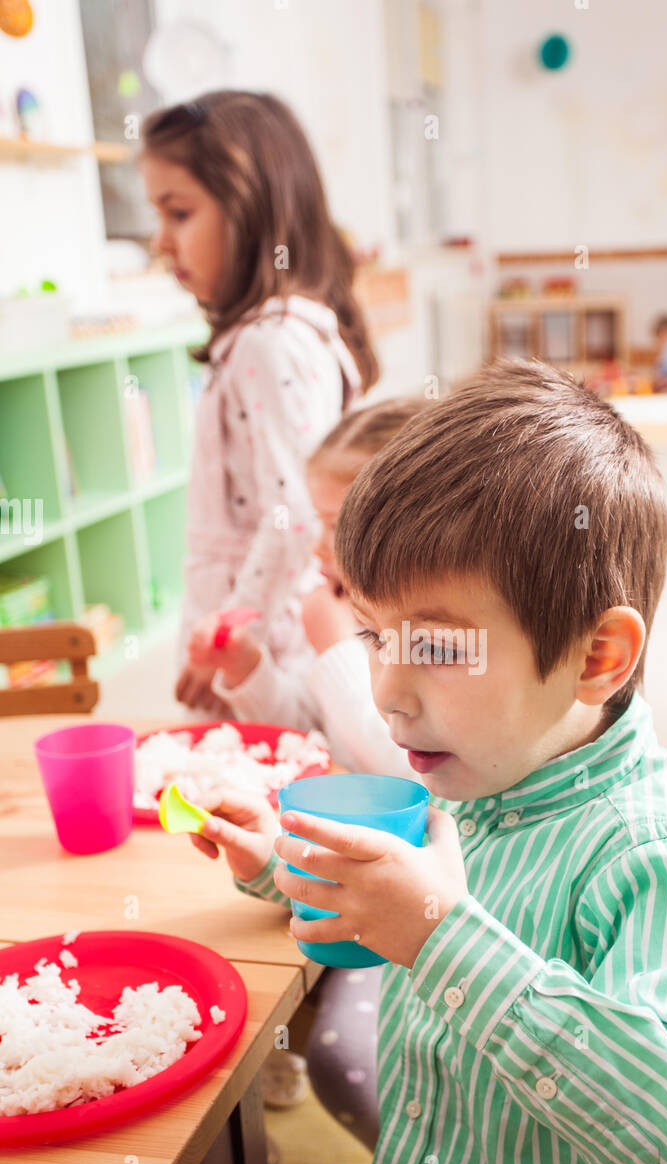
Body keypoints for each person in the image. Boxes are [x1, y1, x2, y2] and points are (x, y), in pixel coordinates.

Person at [198, 359, 667, 1164]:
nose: (387, 689)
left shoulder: (658, 861)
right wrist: (277, 865)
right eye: (376, 635)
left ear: (597, 656)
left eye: (433, 644)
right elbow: (395, 871)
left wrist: (440, 935)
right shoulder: (493, 770)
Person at [188, 399, 429, 1141]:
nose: (319, 545)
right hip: (342, 863)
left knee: (336, 1049)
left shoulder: (420, 625)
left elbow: (401, 760)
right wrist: (248, 669)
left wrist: (333, 648)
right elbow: (311, 722)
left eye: (338, 523)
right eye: (318, 519)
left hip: (413, 891)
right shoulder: (343, 604)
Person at [139, 90, 377, 717]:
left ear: (248, 213)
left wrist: (228, 635)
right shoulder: (285, 335)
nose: (160, 240)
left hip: (264, 651)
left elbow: (295, 514)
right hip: (264, 639)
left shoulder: (268, 344)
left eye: (179, 213)